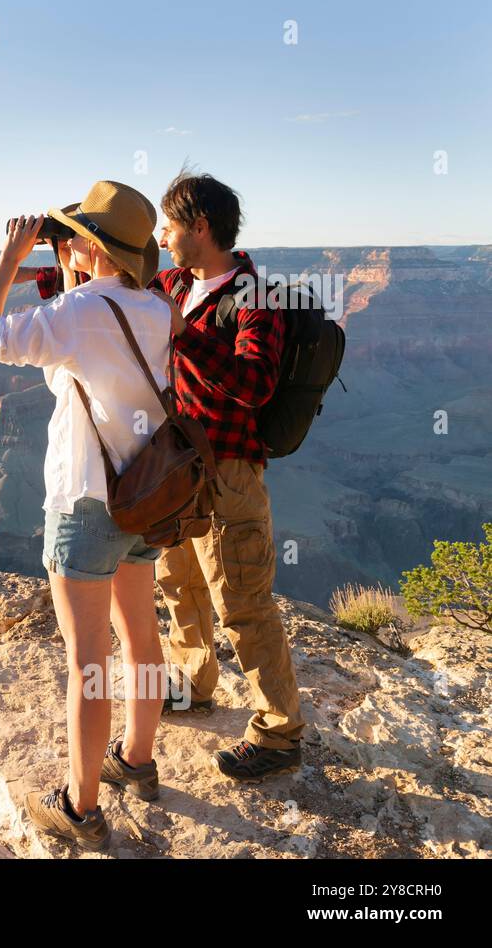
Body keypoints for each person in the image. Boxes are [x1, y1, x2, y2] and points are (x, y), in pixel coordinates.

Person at [0, 180, 171, 851]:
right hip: (144, 495)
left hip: (85, 503)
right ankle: (136, 759)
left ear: (93, 246)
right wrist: (51, 266)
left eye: (71, 233)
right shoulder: (154, 304)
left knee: (88, 660)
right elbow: (84, 326)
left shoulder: (80, 310)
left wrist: (5, 262)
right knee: (140, 639)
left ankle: (80, 808)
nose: (63, 241)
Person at [150, 169, 305, 781]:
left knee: (241, 601)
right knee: (179, 582)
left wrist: (184, 332)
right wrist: (45, 270)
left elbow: (253, 384)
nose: (161, 237)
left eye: (168, 225)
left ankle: (280, 732)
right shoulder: (173, 281)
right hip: (178, 466)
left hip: (230, 472)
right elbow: (116, 283)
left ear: (200, 227)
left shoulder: (254, 298)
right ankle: (192, 683)